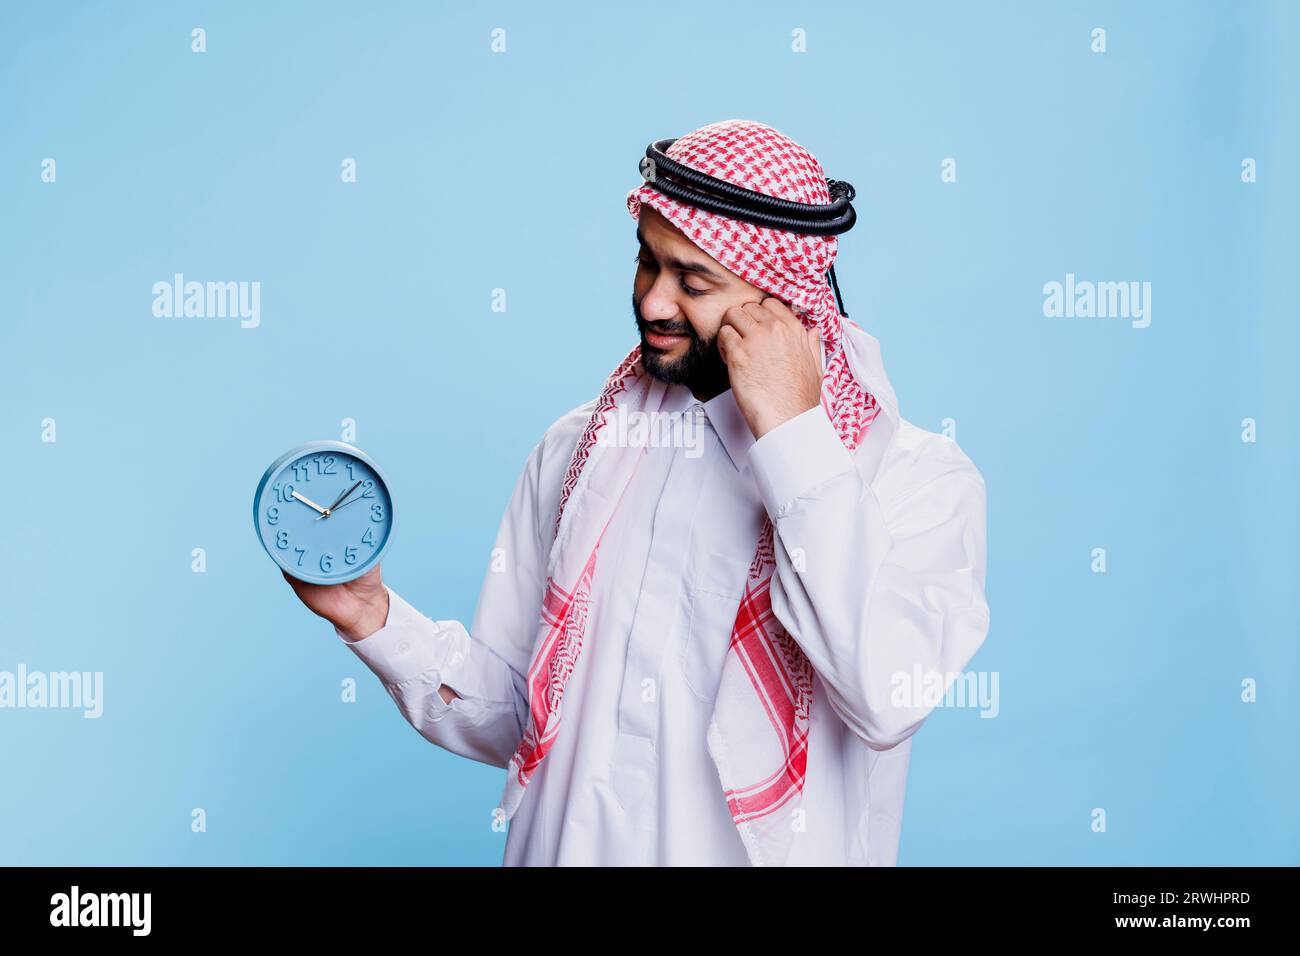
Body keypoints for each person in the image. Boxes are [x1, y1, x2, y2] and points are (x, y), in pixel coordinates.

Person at [284, 119, 991, 866]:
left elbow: (885, 695)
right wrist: (371, 617)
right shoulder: (576, 452)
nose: (654, 303)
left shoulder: (916, 481)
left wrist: (794, 442)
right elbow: (525, 714)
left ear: (780, 300)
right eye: (647, 263)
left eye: (693, 281)